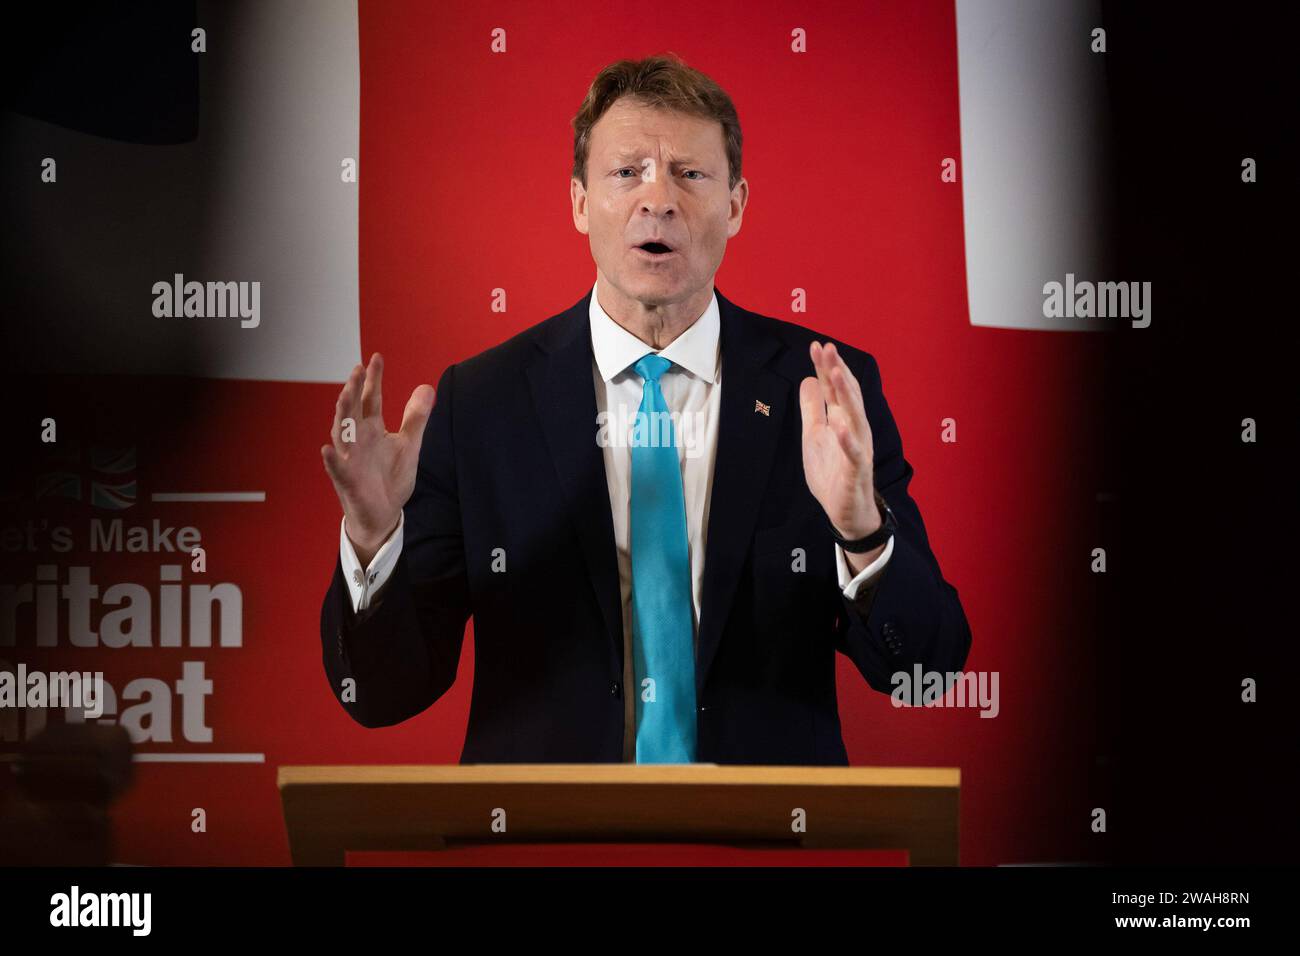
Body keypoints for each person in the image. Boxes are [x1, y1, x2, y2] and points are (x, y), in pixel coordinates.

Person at [319, 53, 971, 764]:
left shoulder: (821, 394)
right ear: (578, 203)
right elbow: (381, 695)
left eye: (690, 175)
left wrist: (861, 530)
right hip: (548, 846)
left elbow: (924, 673)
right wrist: (374, 540)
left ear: (735, 205)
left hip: (765, 842)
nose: (657, 198)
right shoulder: (482, 404)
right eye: (627, 172)